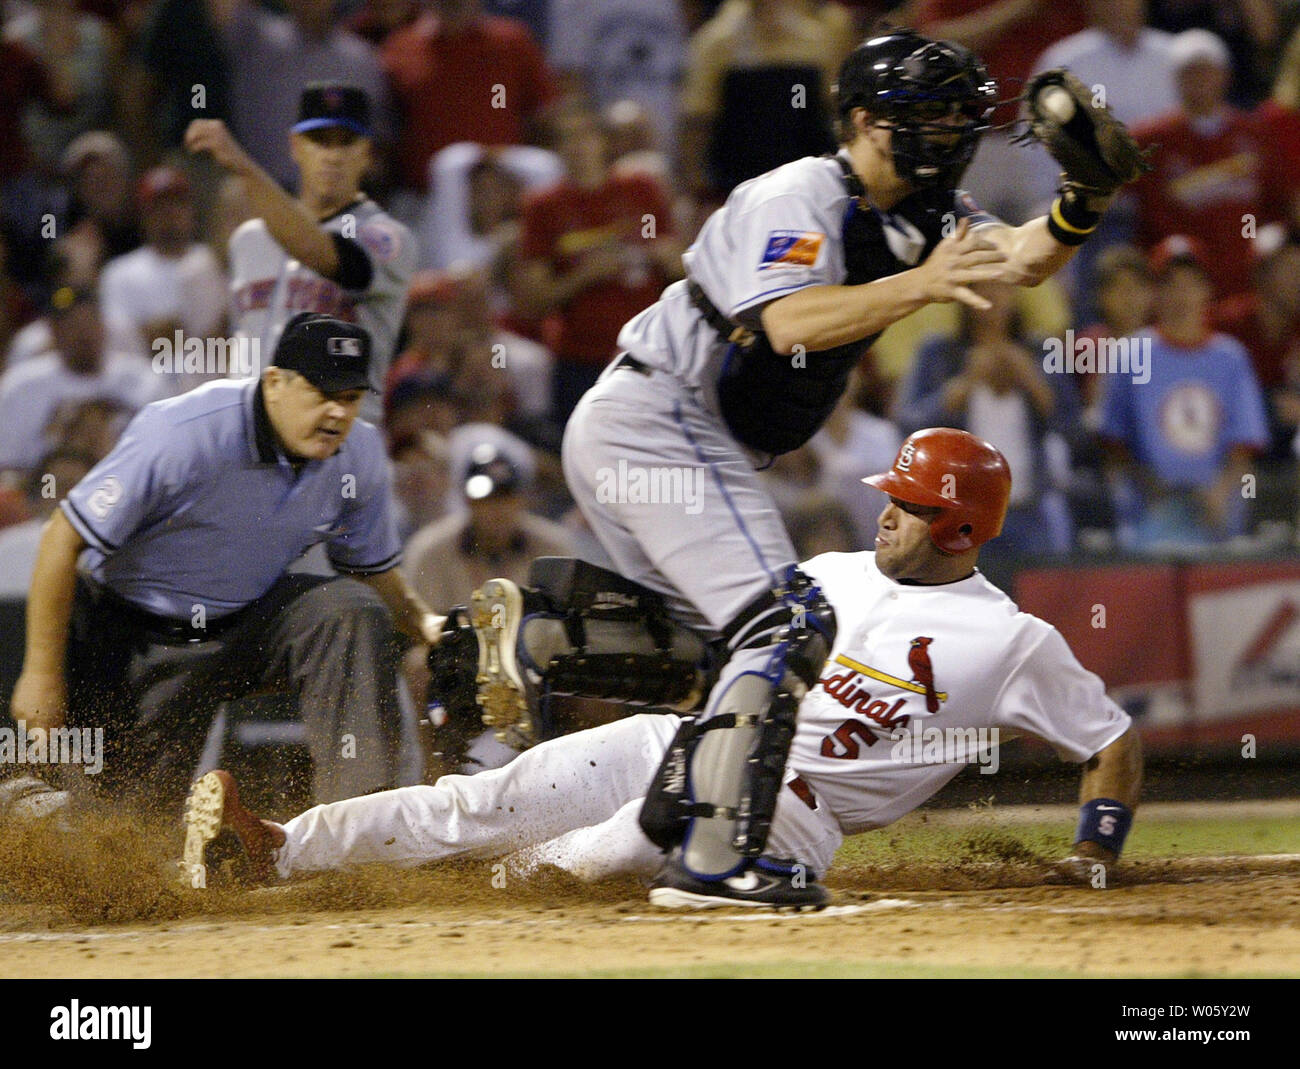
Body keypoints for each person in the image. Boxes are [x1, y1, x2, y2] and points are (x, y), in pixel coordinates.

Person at [477, 27, 1135, 908]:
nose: (951, 131)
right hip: (663, 416)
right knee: (789, 625)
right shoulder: (800, 192)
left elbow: (1019, 257)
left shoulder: (927, 220)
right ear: (866, 120)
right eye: (929, 115)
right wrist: (923, 284)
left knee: (720, 658)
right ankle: (717, 860)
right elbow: (789, 323)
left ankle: (547, 639)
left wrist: (1080, 201)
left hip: (693, 440)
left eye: (957, 115)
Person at [182, 429, 1143, 909]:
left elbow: (1111, 743)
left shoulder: (1012, 639)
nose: (885, 510)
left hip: (792, 805)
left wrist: (1096, 852)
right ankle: (271, 844)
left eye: (908, 502)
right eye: (888, 494)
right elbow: (720, 653)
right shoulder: (829, 572)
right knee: (476, 801)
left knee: (580, 863)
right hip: (686, 739)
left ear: (962, 527)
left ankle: (478, 897)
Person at [10, 313, 445, 814]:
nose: (335, 413)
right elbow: (61, 538)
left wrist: (423, 623)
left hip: (247, 626)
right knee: (125, 835)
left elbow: (368, 569)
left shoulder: (360, 453)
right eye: (320, 393)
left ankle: (362, 826)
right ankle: (24, 807)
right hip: (134, 638)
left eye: (348, 399)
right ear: (275, 382)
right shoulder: (183, 431)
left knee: (348, 609)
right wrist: (40, 674)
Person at [186, 83, 416, 424]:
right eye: (319, 140)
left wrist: (242, 165)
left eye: (346, 142)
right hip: (251, 436)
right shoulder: (249, 240)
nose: (332, 155)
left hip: (339, 437)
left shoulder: (387, 237)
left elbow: (318, 252)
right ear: (295, 146)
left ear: (367, 154)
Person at [1098, 237, 1270, 550]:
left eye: (1192, 284)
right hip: (1148, 520)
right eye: (1171, 285)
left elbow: (1244, 447)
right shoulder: (1131, 353)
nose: (1182, 295)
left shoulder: (1231, 357)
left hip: (1217, 520)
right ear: (1155, 293)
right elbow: (1114, 444)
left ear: (1207, 290)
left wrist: (1219, 495)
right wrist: (1151, 492)